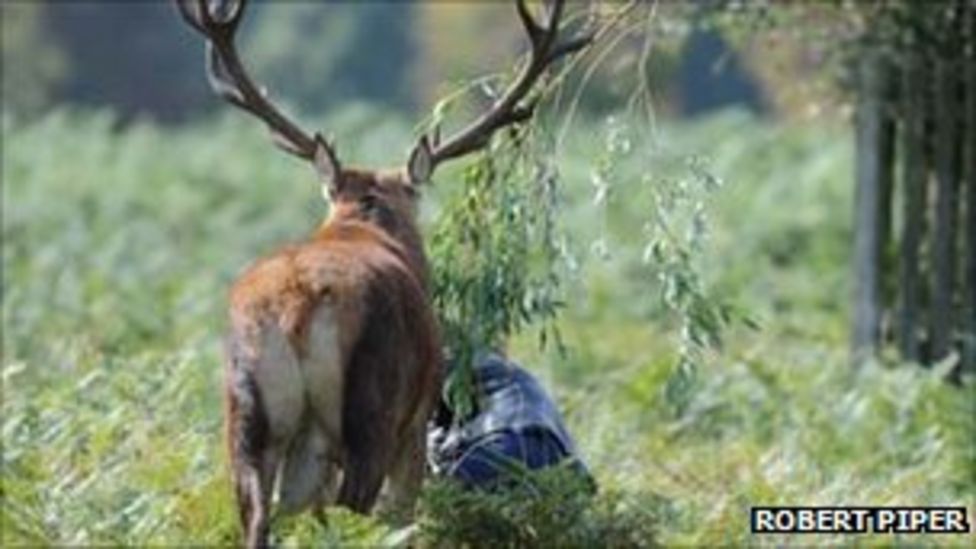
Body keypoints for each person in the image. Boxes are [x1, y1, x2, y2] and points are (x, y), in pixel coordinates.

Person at [427, 350, 594, 491]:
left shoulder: (435, 363)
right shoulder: (482, 360)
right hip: (558, 463)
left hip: (509, 448)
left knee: (432, 490)